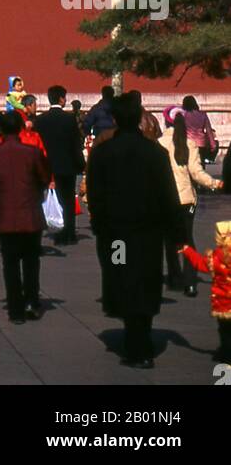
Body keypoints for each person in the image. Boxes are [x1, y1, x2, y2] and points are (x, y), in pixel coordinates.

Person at [86, 92, 184, 368]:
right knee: (146, 280)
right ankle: (143, 337)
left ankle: (134, 342)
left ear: (115, 118)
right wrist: (177, 232)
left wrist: (100, 226)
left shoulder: (103, 152)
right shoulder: (156, 153)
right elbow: (169, 195)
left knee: (122, 277)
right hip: (148, 235)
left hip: (116, 236)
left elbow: (96, 195)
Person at [0, 114, 51, 323]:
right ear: (21, 129)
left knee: (10, 263)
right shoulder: (32, 152)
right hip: (30, 213)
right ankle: (31, 300)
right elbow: (44, 177)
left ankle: (15, 309)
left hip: (5, 215)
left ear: (2, 130)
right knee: (31, 261)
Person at [159, 105, 221, 296]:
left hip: (166, 200)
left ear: (166, 121)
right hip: (186, 200)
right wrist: (214, 183)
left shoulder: (159, 144)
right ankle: (190, 281)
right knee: (187, 240)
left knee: (169, 240)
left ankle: (175, 278)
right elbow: (196, 172)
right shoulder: (189, 144)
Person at [35, 85, 86, 245]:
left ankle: (45, 228)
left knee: (41, 198)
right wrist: (80, 164)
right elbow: (76, 143)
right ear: (62, 99)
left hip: (45, 165)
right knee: (68, 199)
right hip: (66, 166)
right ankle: (69, 232)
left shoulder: (40, 120)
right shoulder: (69, 119)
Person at [181, 220, 231, 362]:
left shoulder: (215, 257)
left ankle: (227, 353)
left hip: (223, 303)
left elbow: (200, 264)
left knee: (225, 330)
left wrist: (187, 250)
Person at [181, 95, 219, 166]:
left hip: (187, 144)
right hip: (201, 144)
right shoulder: (203, 115)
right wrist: (213, 144)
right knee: (200, 166)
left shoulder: (183, 115)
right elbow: (209, 131)